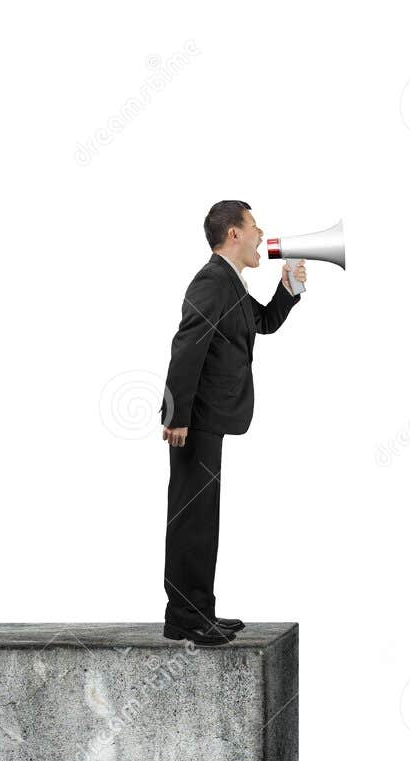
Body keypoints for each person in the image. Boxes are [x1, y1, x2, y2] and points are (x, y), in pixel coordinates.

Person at [160, 200, 305, 645]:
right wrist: (176, 415)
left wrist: (289, 289)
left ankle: (199, 611)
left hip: (208, 420)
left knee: (203, 518)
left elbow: (261, 322)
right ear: (234, 234)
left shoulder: (230, 283)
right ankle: (184, 617)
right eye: (255, 226)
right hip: (195, 421)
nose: (262, 234)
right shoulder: (212, 280)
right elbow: (187, 345)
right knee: (193, 520)